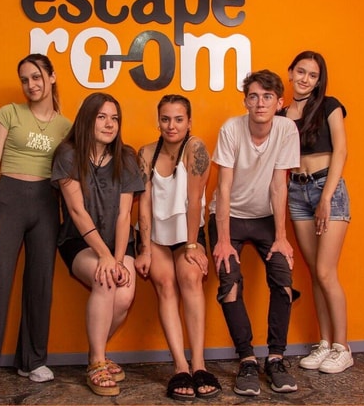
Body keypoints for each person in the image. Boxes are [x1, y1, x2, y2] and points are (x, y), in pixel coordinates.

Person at [0, 54, 71, 404]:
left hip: (46, 203)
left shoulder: (66, 126)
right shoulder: (8, 113)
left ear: (51, 77)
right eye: (24, 79)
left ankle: (31, 360)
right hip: (8, 200)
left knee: (40, 282)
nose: (31, 84)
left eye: (36, 76)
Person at [208, 69, 300, 396]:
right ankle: (247, 359)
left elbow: (278, 185)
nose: (260, 103)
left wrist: (281, 237)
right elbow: (224, 186)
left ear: (279, 102)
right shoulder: (231, 129)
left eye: (267, 97)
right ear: (245, 101)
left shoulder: (287, 130)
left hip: (266, 218)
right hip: (228, 216)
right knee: (230, 282)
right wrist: (222, 240)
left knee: (283, 279)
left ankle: (276, 358)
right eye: (254, 96)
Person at [51, 92, 144, 397]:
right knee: (105, 280)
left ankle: (97, 353)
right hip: (79, 240)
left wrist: (116, 258)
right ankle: (97, 363)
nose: (109, 124)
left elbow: (124, 215)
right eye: (101, 117)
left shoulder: (126, 157)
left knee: (124, 294)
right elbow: (76, 211)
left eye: (114, 118)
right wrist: (103, 257)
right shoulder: (68, 154)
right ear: (87, 120)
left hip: (118, 242)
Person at [135, 95, 221, 401]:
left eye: (179, 119)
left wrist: (193, 244)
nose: (172, 125)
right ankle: (180, 367)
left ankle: (198, 364)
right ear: (158, 121)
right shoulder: (146, 152)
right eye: (166, 119)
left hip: (188, 231)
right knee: (165, 284)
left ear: (189, 122)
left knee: (190, 278)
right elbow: (144, 204)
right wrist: (145, 249)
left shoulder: (195, 149)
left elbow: (195, 200)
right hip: (156, 236)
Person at [281, 51, 352, 373]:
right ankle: (324, 343)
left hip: (327, 188)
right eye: (301, 71)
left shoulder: (329, 105)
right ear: (290, 72)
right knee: (314, 272)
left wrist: (326, 197)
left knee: (326, 271)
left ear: (319, 80)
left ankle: (342, 347)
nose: (305, 79)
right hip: (297, 191)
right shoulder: (282, 115)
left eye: (312, 75)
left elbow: (341, 151)